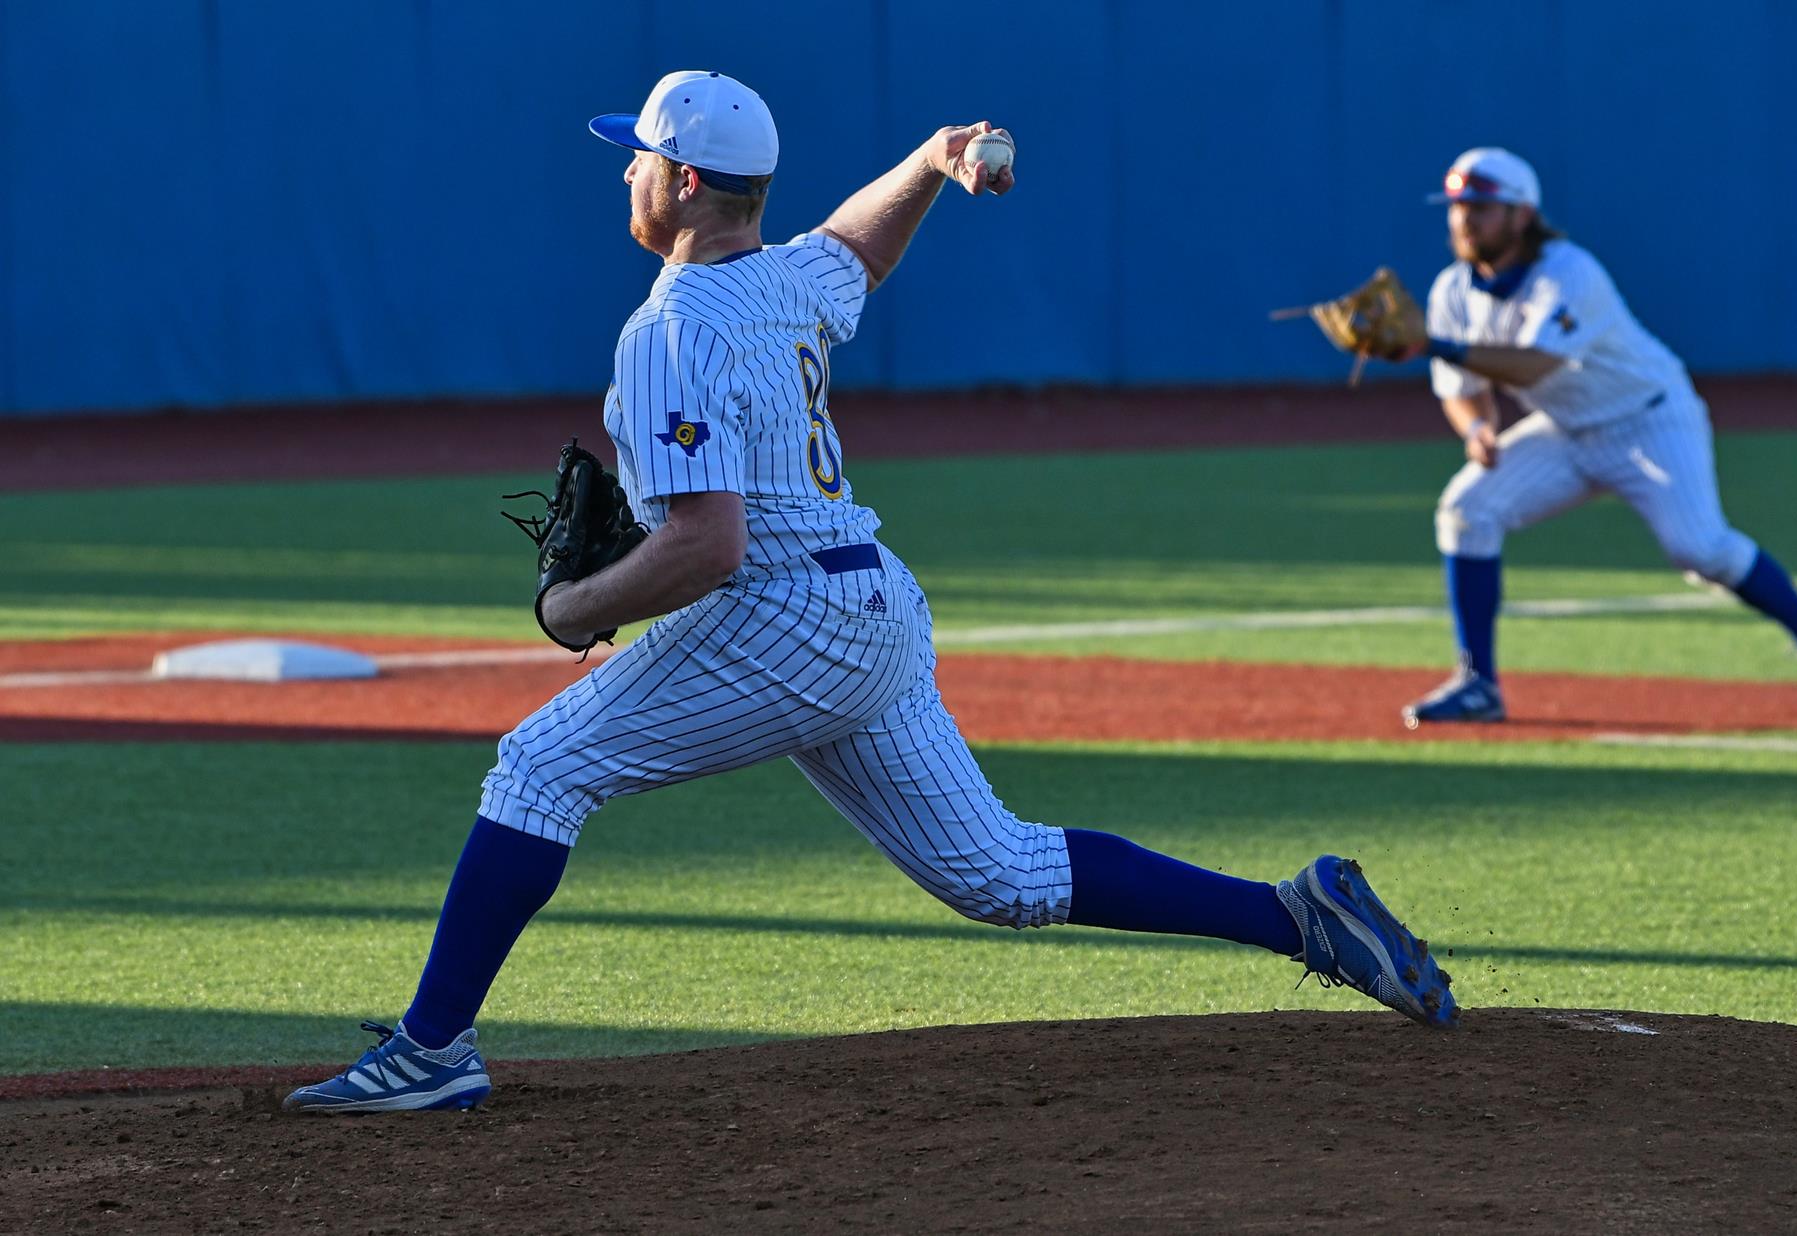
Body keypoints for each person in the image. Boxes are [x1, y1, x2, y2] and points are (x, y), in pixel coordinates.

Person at [285, 71, 1456, 1112]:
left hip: (786, 614)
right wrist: (933, 160)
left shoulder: (666, 331)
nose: (627, 171)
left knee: (539, 770)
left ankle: (433, 1050)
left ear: (685, 183)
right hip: (873, 608)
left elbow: (707, 548)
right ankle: (1297, 915)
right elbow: (858, 248)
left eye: (638, 155)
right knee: (996, 874)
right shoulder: (780, 285)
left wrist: (574, 612)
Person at [1394, 148, 1797, 728]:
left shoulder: (1568, 272)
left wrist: (1430, 345)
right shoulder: (1452, 290)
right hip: (1565, 432)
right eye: (1459, 207)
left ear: (1522, 215)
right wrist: (1477, 426)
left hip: (1649, 421)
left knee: (1700, 548)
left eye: (1483, 207)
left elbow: (1535, 364)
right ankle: (1477, 683)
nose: (1466, 220)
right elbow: (1460, 384)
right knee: (1467, 509)